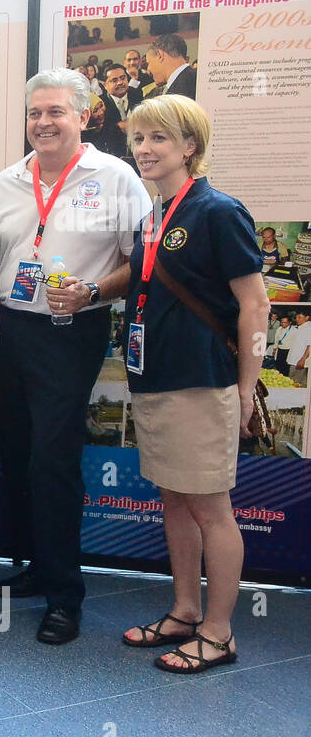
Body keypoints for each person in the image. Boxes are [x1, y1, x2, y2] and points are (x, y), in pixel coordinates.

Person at [0, 68, 151, 645]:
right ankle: (35, 566)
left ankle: (65, 596)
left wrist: (93, 291)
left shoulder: (116, 177)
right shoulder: (7, 180)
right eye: (35, 113)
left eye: (56, 112)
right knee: (19, 454)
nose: (43, 122)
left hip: (71, 327)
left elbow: (140, 260)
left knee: (54, 461)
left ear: (84, 117)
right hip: (11, 330)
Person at [118, 94, 269, 673]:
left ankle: (219, 630)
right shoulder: (155, 214)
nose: (145, 149)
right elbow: (144, 275)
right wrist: (90, 290)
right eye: (139, 138)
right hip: (154, 376)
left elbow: (254, 305)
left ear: (190, 147)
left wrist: (244, 387)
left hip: (202, 382)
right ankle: (184, 611)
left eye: (159, 138)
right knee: (174, 501)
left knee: (210, 508)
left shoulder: (217, 210)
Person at [145, 33, 197, 99]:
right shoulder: (198, 78)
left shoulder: (180, 90)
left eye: (148, 63)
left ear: (160, 56)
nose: (148, 70)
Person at [289, 309, 311, 386]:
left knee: (298, 385)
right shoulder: (300, 327)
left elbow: (309, 346)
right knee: (294, 383)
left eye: (299, 317)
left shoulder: (308, 329)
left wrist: (303, 360)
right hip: (294, 360)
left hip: (299, 362)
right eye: (296, 317)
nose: (297, 319)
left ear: (307, 317)